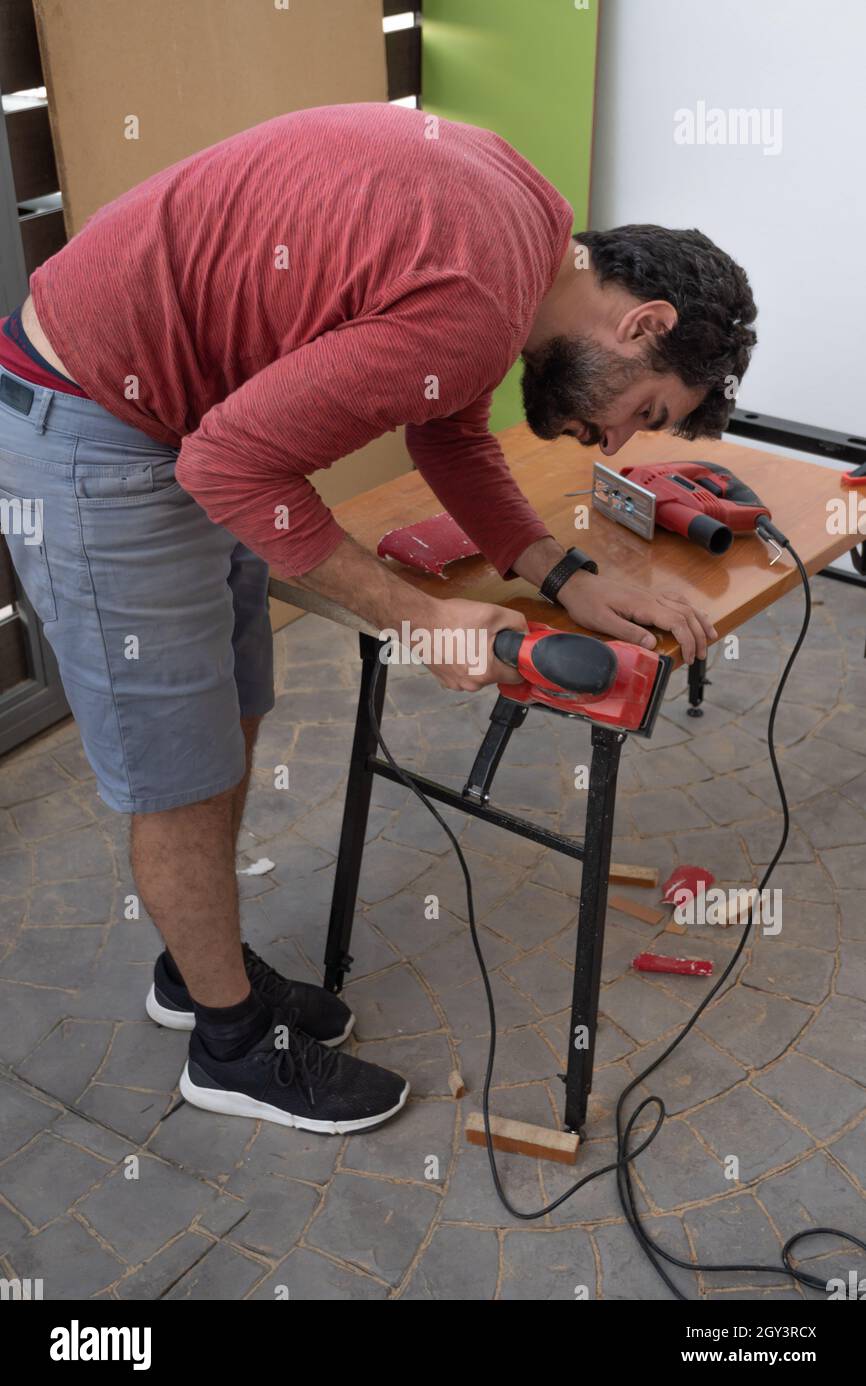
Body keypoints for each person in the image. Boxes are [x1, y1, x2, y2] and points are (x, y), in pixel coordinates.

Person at [0, 102, 755, 1136]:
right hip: (94, 421)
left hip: (178, 415)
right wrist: (416, 615)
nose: (614, 441)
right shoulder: (477, 300)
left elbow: (445, 423)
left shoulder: (531, 220)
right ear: (642, 324)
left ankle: (196, 970)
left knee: (231, 717)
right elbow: (230, 464)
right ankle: (227, 1049)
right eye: (647, 413)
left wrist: (557, 569)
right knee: (178, 767)